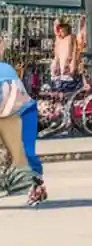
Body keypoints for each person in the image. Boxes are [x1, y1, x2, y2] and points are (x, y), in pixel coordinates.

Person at [0, 56, 45, 206]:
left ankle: (37, 186)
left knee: (26, 152)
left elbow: (10, 98)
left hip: (24, 114)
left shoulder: (4, 70)